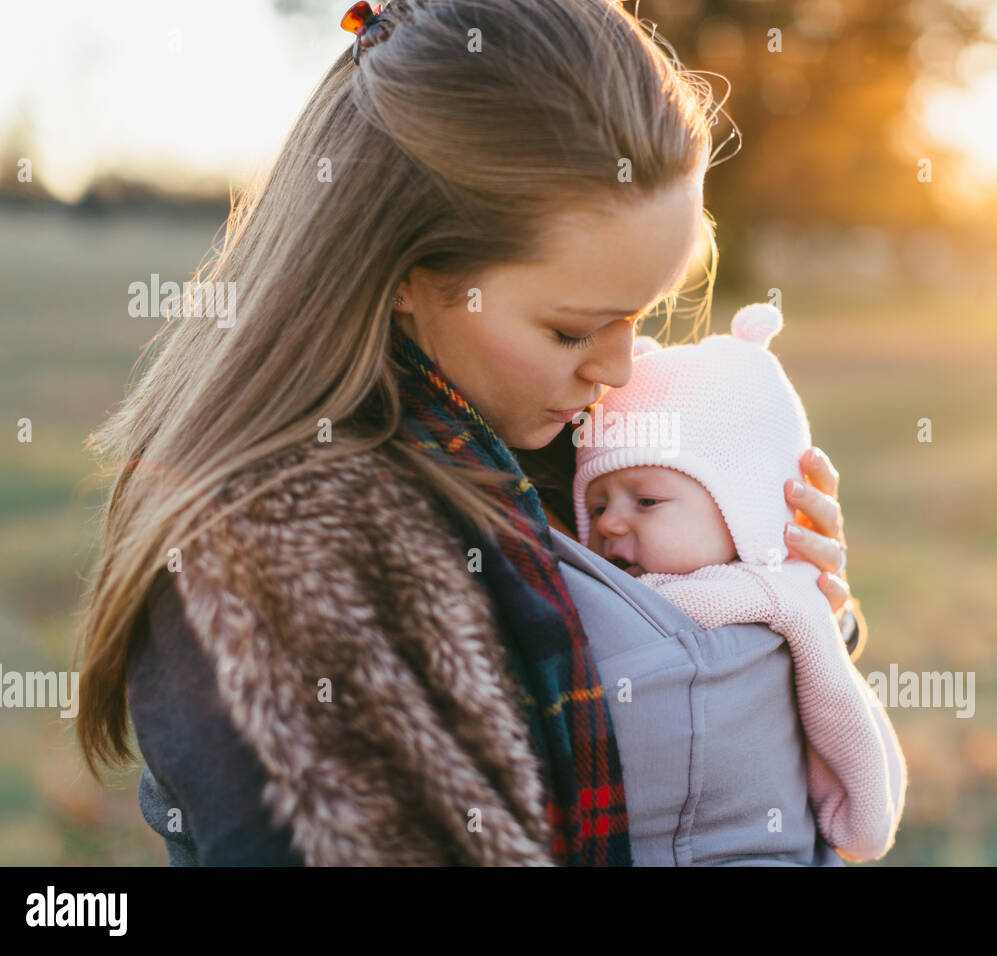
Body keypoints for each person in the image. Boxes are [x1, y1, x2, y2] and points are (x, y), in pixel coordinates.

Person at [74, 0, 862, 866]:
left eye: (642, 314)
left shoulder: (578, 441)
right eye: (571, 330)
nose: (620, 369)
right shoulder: (266, 561)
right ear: (404, 275)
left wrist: (782, 611)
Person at [574, 303, 906, 861]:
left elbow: (839, 702)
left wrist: (862, 817)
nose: (608, 522)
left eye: (647, 500)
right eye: (597, 502)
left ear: (742, 510)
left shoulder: (777, 595)